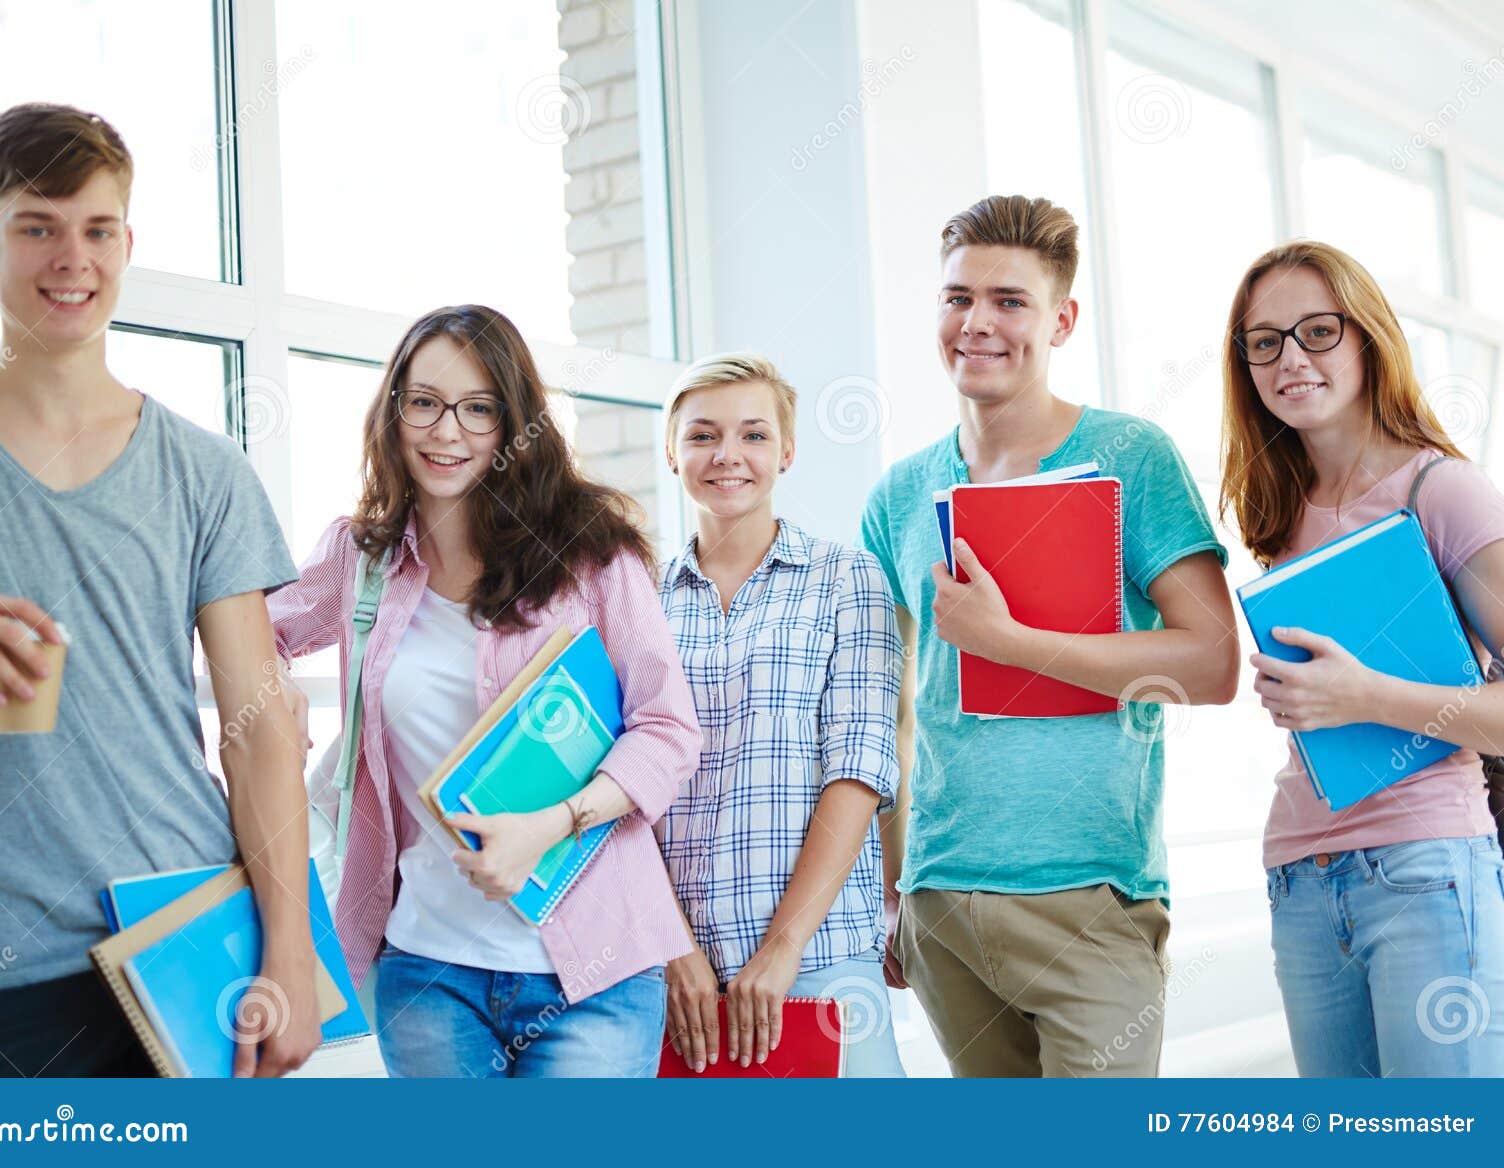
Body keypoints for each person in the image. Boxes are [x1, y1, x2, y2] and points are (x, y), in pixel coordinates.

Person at [0, 104, 319, 1077]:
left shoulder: (205, 470)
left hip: (193, 934)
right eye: (37, 227)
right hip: (10, 968)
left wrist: (291, 952)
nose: (70, 258)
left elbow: (257, 725)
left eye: (95, 230)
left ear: (127, 244)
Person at [857, 194, 1239, 1076]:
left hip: (1092, 900)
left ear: (1062, 320)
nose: (978, 322)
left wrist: (1009, 641)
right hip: (942, 902)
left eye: (1010, 300)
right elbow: (886, 709)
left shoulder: (1131, 457)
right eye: (958, 298)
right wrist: (889, 889)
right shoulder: (899, 494)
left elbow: (1214, 663)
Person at [266, 304, 701, 1077]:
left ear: (512, 424)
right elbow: (256, 629)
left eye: (478, 409)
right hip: (427, 972)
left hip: (595, 971)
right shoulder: (361, 556)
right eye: (425, 403)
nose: (447, 432)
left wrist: (552, 825)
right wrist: (274, 690)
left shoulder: (591, 555)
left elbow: (667, 730)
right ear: (394, 410)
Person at [1220, 239, 1504, 1077]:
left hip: (1425, 865)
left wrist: (1361, 694)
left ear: (1368, 339)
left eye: (1317, 331)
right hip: (1301, 878)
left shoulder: (1441, 491)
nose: (1290, 358)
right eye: (1264, 341)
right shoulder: (1278, 511)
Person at [657, 354, 906, 1077]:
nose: (727, 455)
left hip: (822, 955)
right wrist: (674, 951)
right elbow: (626, 796)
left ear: (787, 452)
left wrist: (783, 948)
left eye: (754, 435)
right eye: (702, 435)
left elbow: (858, 769)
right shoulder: (640, 599)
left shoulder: (848, 577)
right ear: (671, 452)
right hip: (682, 978)